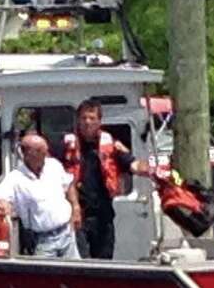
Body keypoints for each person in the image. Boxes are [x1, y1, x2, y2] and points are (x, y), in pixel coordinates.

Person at [62, 99, 149, 259]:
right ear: (78, 120)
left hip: (103, 214)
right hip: (77, 214)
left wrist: (153, 171)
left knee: (104, 259)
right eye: (83, 118)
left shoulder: (111, 145)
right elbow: (59, 175)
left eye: (92, 118)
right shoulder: (67, 146)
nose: (87, 122)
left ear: (99, 121)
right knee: (81, 261)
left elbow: (133, 165)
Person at [1, 131, 81, 259]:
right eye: (39, 150)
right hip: (42, 241)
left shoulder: (54, 165)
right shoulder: (14, 178)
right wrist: (2, 204)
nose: (45, 153)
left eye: (45, 149)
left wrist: (76, 207)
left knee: (76, 275)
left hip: (67, 234)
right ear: (26, 154)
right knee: (45, 277)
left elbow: (69, 183)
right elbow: (1, 198)